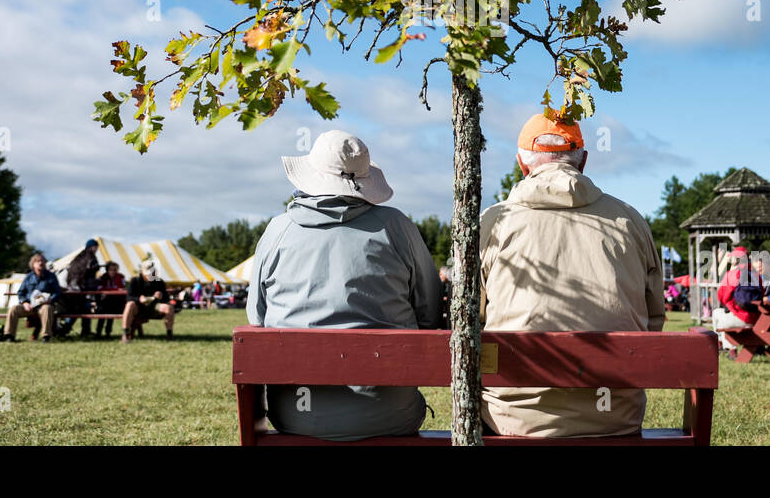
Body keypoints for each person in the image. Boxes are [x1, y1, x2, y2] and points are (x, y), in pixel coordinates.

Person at [248, 129, 442, 441]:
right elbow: (430, 314)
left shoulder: (277, 232)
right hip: (386, 413)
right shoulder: (396, 227)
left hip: (297, 414)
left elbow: (256, 319)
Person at [479, 114, 664, 438]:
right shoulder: (629, 220)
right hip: (614, 417)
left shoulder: (494, 221)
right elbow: (654, 318)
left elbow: (469, 319)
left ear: (522, 163)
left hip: (512, 419)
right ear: (584, 162)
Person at [1, 253, 61, 342]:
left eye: (42, 261)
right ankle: (9, 335)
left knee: (47, 308)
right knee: (13, 309)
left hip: (43, 306)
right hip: (29, 307)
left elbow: (57, 292)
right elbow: (21, 292)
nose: (41, 263)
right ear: (33, 264)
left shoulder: (51, 276)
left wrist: (50, 300)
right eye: (38, 261)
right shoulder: (28, 277)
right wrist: (24, 303)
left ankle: (46, 336)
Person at [713, 247, 762, 347]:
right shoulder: (756, 274)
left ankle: (728, 347)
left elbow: (722, 296)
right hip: (757, 318)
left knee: (717, 313)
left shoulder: (732, 274)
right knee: (723, 315)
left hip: (740, 318)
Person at [122, 258, 174, 341]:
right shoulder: (135, 281)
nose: (150, 276)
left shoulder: (159, 282)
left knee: (169, 306)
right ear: (142, 272)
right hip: (138, 307)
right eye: (148, 274)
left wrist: (161, 296)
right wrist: (139, 299)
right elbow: (129, 297)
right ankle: (125, 333)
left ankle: (169, 334)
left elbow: (166, 299)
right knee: (129, 305)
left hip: (154, 307)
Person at [62, 239, 101, 338]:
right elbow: (90, 272)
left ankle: (67, 330)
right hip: (80, 289)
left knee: (79, 309)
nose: (96, 249)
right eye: (95, 247)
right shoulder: (90, 257)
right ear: (91, 247)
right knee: (83, 308)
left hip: (73, 288)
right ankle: (72, 330)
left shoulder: (78, 258)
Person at [95, 261, 126, 337]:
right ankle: (98, 332)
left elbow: (122, 289)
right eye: (111, 269)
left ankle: (108, 332)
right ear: (107, 270)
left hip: (116, 301)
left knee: (111, 314)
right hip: (105, 301)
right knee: (102, 314)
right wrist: (114, 290)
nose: (113, 271)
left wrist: (112, 290)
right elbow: (100, 289)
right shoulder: (103, 277)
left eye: (115, 269)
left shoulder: (121, 277)